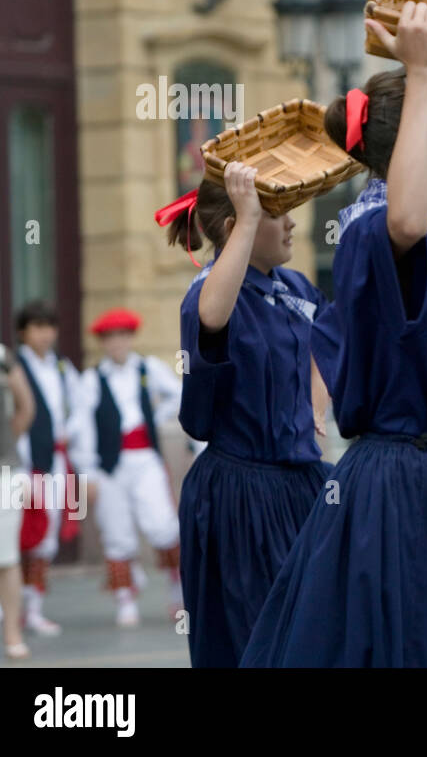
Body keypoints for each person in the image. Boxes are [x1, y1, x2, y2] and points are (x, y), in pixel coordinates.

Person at [241, 1, 427, 666]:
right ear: (423, 141)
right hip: (406, 490)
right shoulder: (377, 225)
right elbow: (403, 221)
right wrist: (423, 76)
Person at [157, 162, 331, 667]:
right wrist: (248, 218)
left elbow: (329, 343)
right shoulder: (210, 290)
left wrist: (316, 407)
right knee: (254, 646)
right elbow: (211, 316)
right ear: (240, 227)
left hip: (300, 486)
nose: (295, 222)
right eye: (280, 213)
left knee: (313, 640)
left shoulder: (296, 287)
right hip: (240, 495)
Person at [81, 308, 184, 627]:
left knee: (163, 526)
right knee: (117, 533)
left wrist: (159, 414)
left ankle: (177, 589)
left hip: (145, 459)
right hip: (111, 464)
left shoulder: (147, 368)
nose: (117, 344)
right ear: (103, 342)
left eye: (122, 336)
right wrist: (89, 470)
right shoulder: (92, 378)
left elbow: (178, 394)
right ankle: (125, 599)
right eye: (110, 338)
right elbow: (81, 425)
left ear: (130, 337)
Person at [13, 300, 94, 637]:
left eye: (49, 327)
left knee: (45, 538)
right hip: (20, 465)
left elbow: (80, 412)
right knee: (9, 537)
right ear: (23, 332)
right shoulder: (14, 366)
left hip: (57, 463)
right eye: (37, 327)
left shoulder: (62, 368)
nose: (45, 334)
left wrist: (85, 465)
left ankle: (33, 608)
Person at [0, 342, 36, 659]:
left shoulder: (1, 359)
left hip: (0, 472)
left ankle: (12, 633)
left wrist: (6, 445)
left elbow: (26, 407)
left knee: (4, 556)